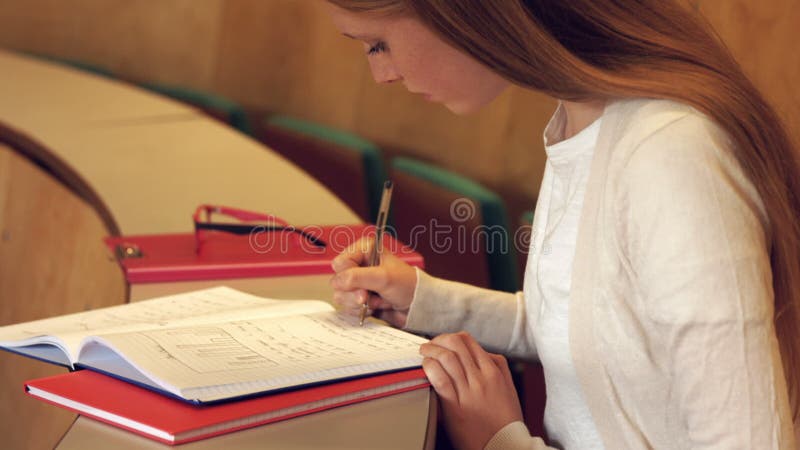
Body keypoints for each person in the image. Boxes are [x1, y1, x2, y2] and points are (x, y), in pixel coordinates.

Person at [323, 1, 800, 448]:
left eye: (377, 44)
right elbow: (581, 328)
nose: (379, 74)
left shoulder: (669, 156)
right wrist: (426, 301)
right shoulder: (583, 120)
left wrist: (502, 440)